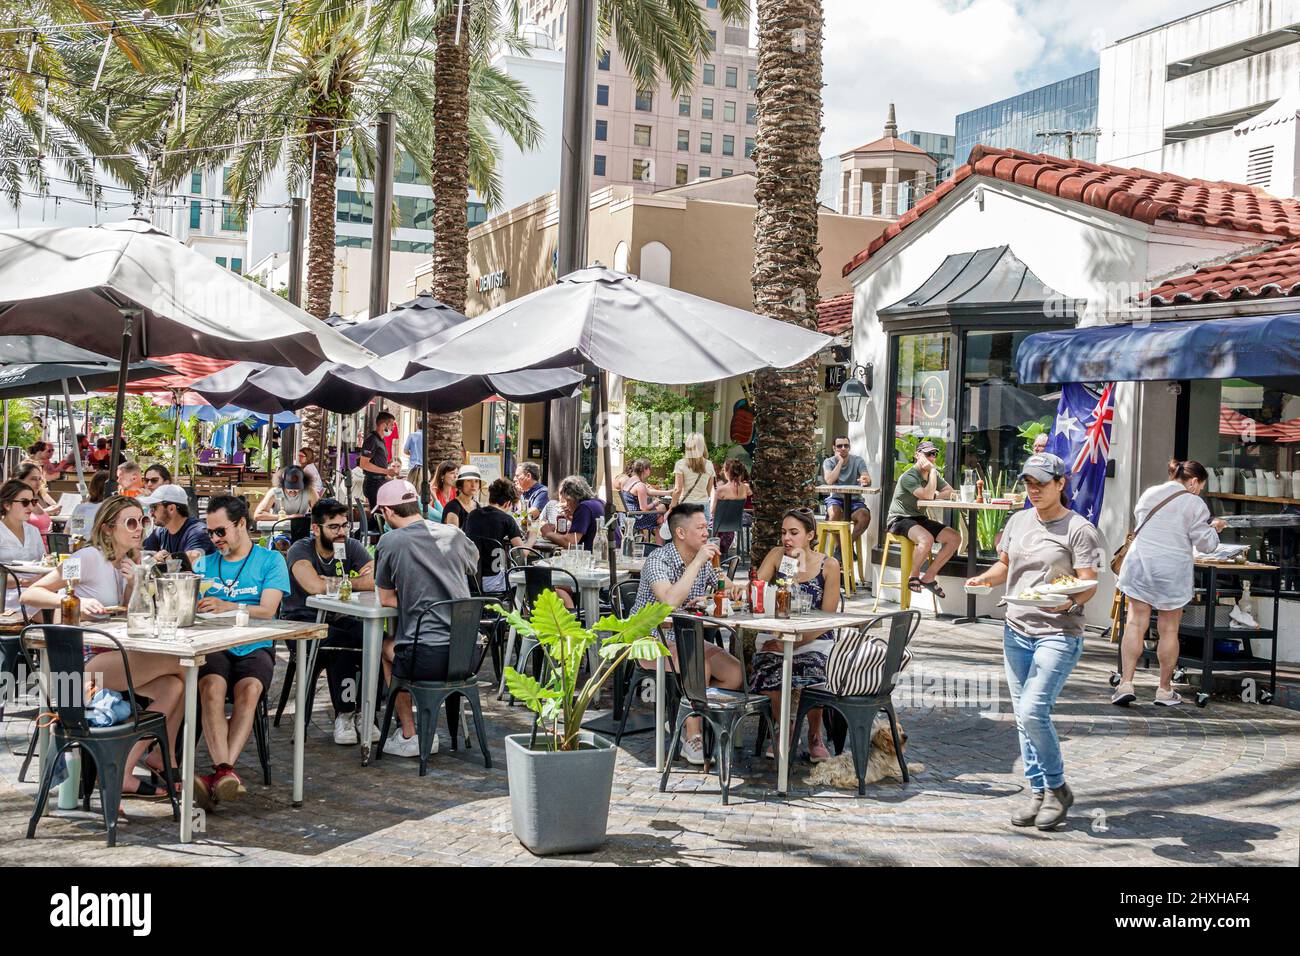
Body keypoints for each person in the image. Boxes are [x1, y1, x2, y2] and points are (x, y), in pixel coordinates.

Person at [965, 453, 1102, 831]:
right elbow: (1005, 566)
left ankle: (1057, 788)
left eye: (1042, 482)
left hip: (1058, 632)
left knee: (1032, 711)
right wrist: (984, 579)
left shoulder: (1079, 529)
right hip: (1016, 630)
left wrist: (1069, 601)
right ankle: (1037, 792)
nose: (1034, 490)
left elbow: (1088, 582)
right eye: (1029, 483)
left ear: (1061, 483)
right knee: (1023, 719)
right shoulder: (1018, 521)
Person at [22, 496, 185, 797]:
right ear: (108, 528)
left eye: (143, 521)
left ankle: (124, 770)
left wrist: (134, 584)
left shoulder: (128, 561)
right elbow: (32, 593)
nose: (139, 528)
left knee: (173, 687)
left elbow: (126, 612)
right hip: (81, 667)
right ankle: (167, 758)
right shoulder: (88, 558)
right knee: (183, 663)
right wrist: (73, 600)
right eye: (131, 522)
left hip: (112, 655)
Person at [191, 495, 291, 809]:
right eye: (210, 533)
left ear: (241, 524)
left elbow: (268, 610)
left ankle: (221, 773)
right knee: (210, 688)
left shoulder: (270, 560)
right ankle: (225, 774)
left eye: (220, 531)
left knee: (249, 691)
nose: (215, 539)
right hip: (214, 644)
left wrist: (228, 606)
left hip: (255, 644)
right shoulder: (203, 564)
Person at [630, 503, 745, 764]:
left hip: (688, 638)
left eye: (707, 527)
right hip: (651, 639)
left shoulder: (703, 559)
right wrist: (699, 562)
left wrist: (731, 590)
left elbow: (725, 588)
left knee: (735, 673)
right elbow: (670, 601)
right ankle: (692, 736)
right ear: (681, 533)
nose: (707, 533)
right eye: (701, 528)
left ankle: (686, 716)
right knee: (698, 665)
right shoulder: (658, 560)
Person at [373, 479, 480, 758]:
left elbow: (385, 598)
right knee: (404, 645)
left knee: (384, 647)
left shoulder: (390, 541)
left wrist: (417, 598)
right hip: (468, 654)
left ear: (387, 511)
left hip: (426, 657)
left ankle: (409, 734)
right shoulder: (454, 534)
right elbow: (473, 563)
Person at [1113, 459, 1225, 708]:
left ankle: (1125, 684)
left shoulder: (1150, 493)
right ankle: (1164, 690)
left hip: (1140, 564)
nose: (1199, 491)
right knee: (1169, 629)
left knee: (1135, 623)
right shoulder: (1194, 503)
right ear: (1193, 482)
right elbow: (1205, 544)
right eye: (1201, 486)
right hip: (1171, 570)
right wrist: (1214, 528)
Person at [281, 498, 377, 745]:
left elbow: (376, 578)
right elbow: (313, 586)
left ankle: (365, 713)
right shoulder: (301, 549)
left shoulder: (349, 545)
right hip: (301, 622)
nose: (341, 532)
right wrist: (350, 583)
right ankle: (345, 714)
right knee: (341, 643)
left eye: (345, 525)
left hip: (339, 616)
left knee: (373, 639)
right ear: (316, 528)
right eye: (334, 527)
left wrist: (337, 583)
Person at [750, 508, 841, 761]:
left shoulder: (828, 565)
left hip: (815, 639)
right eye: (783, 533)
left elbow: (828, 619)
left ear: (810, 535)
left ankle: (814, 735)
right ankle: (785, 728)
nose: (786, 538)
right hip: (779, 636)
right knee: (767, 667)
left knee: (815, 671)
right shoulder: (778, 556)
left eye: (793, 533)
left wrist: (797, 641)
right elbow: (756, 591)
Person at [885, 439, 960, 598]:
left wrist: (935, 493)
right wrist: (932, 473)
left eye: (934, 454)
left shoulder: (932, 475)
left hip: (918, 518)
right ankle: (914, 575)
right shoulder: (909, 476)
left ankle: (929, 577)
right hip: (899, 518)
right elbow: (926, 495)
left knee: (954, 538)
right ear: (917, 455)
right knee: (926, 539)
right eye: (928, 454)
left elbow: (950, 491)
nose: (932, 458)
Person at [464, 478, 526, 593]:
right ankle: (516, 605)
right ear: (508, 503)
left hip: (469, 579)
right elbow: (521, 553)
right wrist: (532, 537)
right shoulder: (507, 519)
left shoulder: (472, 515)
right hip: (492, 581)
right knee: (523, 578)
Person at [140, 483, 215, 563]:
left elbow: (193, 560)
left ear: (171, 509)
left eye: (154, 507)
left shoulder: (198, 532)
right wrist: (155, 557)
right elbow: (141, 553)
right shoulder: (160, 533)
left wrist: (165, 558)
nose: (151, 513)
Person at [822, 435, 872, 549]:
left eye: (846, 445)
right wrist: (840, 462)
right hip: (836, 499)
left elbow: (866, 477)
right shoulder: (828, 462)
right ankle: (842, 549)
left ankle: (845, 547)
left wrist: (865, 480)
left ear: (850, 447)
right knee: (833, 515)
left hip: (855, 501)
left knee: (865, 516)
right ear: (834, 448)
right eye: (839, 446)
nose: (843, 448)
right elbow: (829, 480)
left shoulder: (858, 460)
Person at [540, 475, 604, 550]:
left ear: (575, 497)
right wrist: (573, 519)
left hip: (592, 554)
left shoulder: (584, 507)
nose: (567, 504)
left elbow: (570, 542)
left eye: (568, 500)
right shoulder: (599, 502)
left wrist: (548, 533)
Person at [359, 411, 400, 511]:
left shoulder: (381, 441)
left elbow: (377, 462)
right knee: (377, 513)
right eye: (391, 425)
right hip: (373, 483)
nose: (393, 428)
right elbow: (364, 464)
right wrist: (386, 471)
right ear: (383, 425)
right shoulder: (372, 440)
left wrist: (388, 475)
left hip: (380, 481)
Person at [669, 432, 716, 521]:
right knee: (702, 530)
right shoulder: (709, 464)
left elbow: (677, 490)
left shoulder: (680, 464)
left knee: (684, 530)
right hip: (703, 506)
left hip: (686, 506)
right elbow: (708, 491)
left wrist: (672, 506)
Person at [711, 458, 752, 554]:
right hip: (735, 525)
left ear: (726, 472)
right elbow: (750, 494)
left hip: (719, 527)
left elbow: (713, 511)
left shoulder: (720, 490)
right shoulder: (745, 488)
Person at [0, 478, 45, 565]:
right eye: (25, 502)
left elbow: (43, 562)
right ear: (7, 505)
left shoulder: (33, 530)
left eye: (33, 502)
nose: (31, 507)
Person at [622, 458, 668, 543]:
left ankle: (650, 541)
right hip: (637, 518)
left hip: (626, 516)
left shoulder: (630, 481)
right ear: (645, 469)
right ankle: (660, 547)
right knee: (661, 518)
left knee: (661, 508)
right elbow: (644, 508)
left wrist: (669, 492)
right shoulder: (640, 485)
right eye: (650, 468)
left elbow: (649, 491)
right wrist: (654, 503)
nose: (650, 470)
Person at [15, 462, 58, 538]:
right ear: (20, 480)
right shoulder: (14, 504)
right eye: (34, 479)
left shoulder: (32, 501)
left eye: (40, 479)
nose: (38, 483)